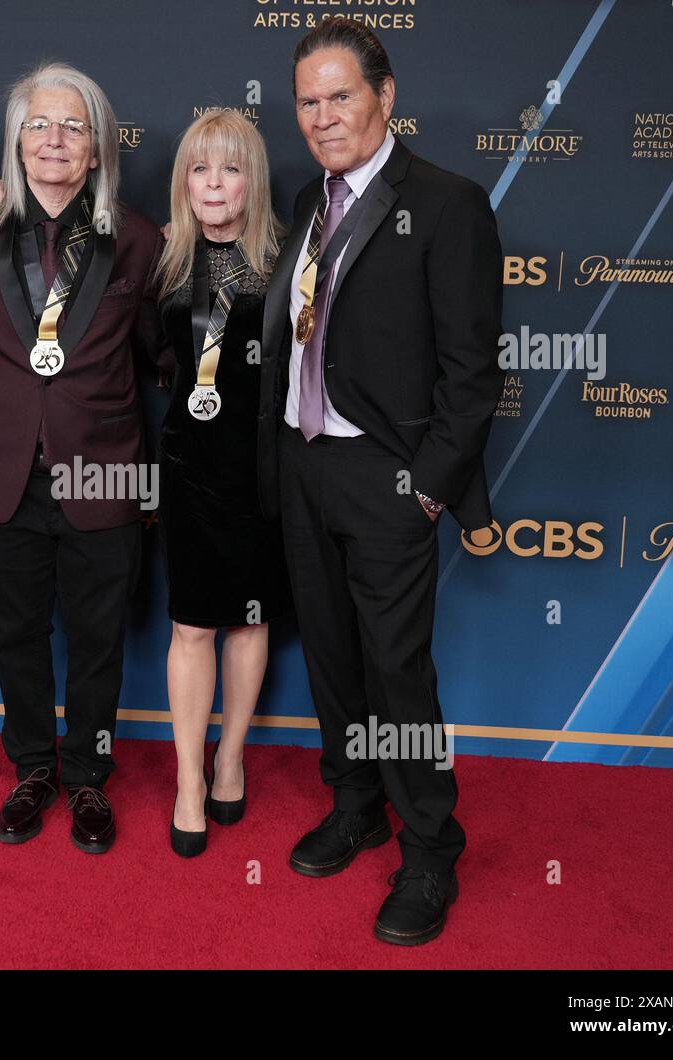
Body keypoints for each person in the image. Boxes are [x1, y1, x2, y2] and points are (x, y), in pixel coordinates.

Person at [258, 20, 503, 942]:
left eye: (341, 97)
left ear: (386, 96)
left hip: (388, 476)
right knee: (329, 653)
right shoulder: (306, 201)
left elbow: (472, 373)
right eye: (308, 102)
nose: (324, 118)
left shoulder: (446, 204)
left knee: (397, 669)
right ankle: (356, 804)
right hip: (303, 462)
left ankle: (431, 852)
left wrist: (430, 486)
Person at [0, 62, 167, 855]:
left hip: (104, 471)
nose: (54, 140)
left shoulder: (137, 239)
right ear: (16, 142)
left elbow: (164, 355)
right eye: (38, 125)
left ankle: (89, 778)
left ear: (99, 148)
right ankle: (33, 768)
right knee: (16, 632)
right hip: (2, 472)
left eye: (73, 126)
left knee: (101, 639)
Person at [153, 110, 289, 857]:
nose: (213, 183)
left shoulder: (288, 261)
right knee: (192, 625)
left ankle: (231, 755)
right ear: (184, 182)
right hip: (188, 470)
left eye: (230, 168)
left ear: (252, 181)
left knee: (250, 618)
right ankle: (187, 780)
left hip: (264, 472)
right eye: (200, 169)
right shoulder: (164, 258)